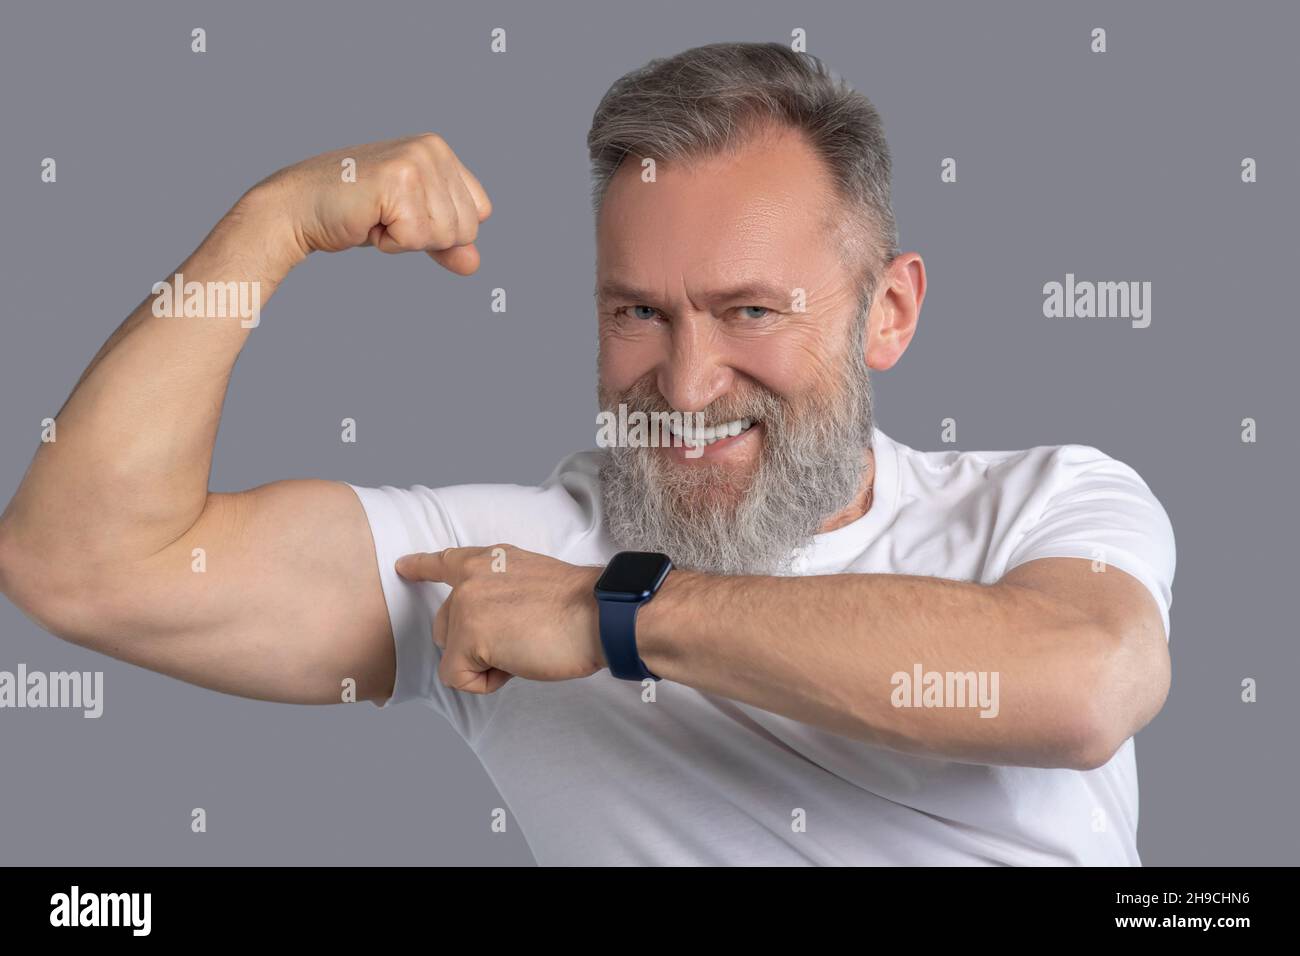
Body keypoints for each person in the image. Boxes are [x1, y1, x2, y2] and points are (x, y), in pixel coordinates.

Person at [0, 42, 1174, 865]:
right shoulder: (507, 568)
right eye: (637, 313)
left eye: (750, 312)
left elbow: (1083, 684)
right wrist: (274, 222)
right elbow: (84, 566)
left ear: (890, 311)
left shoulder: (1044, 501)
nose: (686, 380)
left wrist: (619, 615)